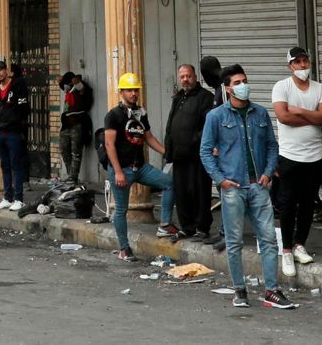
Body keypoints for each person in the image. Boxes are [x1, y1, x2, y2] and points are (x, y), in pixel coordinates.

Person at [201, 64, 295, 310]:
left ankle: (272, 290)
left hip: (259, 186)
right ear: (227, 88)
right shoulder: (216, 117)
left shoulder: (260, 113)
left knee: (268, 240)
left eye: (245, 80)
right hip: (232, 187)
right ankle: (239, 290)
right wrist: (220, 179)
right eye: (237, 83)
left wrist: (267, 172)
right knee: (234, 242)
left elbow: (273, 146)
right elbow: (205, 151)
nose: (243, 86)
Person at [104, 73, 177, 261]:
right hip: (122, 170)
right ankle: (124, 249)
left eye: (136, 90)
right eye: (129, 90)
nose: (133, 93)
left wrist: (166, 152)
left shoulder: (140, 114)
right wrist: (118, 171)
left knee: (169, 183)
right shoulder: (113, 115)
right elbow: (109, 145)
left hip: (141, 167)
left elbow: (148, 138)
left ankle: (165, 224)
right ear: (121, 92)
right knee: (121, 209)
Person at [271, 46, 322, 275]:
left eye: (305, 61)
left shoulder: (319, 88)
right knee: (287, 204)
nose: (302, 65)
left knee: (307, 204)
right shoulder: (281, 87)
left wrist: (299, 111)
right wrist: (310, 116)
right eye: (297, 62)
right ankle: (286, 249)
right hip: (289, 156)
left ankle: (299, 245)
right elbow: (283, 117)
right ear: (290, 66)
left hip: (315, 156)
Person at [165, 63, 214, 243]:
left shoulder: (205, 97)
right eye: (182, 77)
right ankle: (187, 228)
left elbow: (208, 126)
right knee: (182, 193)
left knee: (200, 191)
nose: (185, 79)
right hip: (179, 155)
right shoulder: (178, 98)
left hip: (198, 156)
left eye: (189, 76)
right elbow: (170, 125)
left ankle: (202, 228)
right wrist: (168, 149)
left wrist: (194, 140)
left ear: (195, 77)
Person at [0, 60, 30, 212]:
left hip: (14, 133)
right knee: (5, 166)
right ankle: (8, 197)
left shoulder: (18, 84)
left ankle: (19, 199)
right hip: (0, 133)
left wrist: (19, 126)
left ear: (6, 70)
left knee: (16, 166)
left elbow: (23, 108)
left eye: (0, 70)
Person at [58, 72, 93, 182]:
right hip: (66, 125)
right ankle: (70, 175)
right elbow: (63, 86)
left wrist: (76, 81)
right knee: (64, 150)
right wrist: (61, 81)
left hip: (77, 124)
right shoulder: (69, 90)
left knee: (76, 152)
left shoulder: (79, 88)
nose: (66, 86)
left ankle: (73, 178)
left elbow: (81, 87)